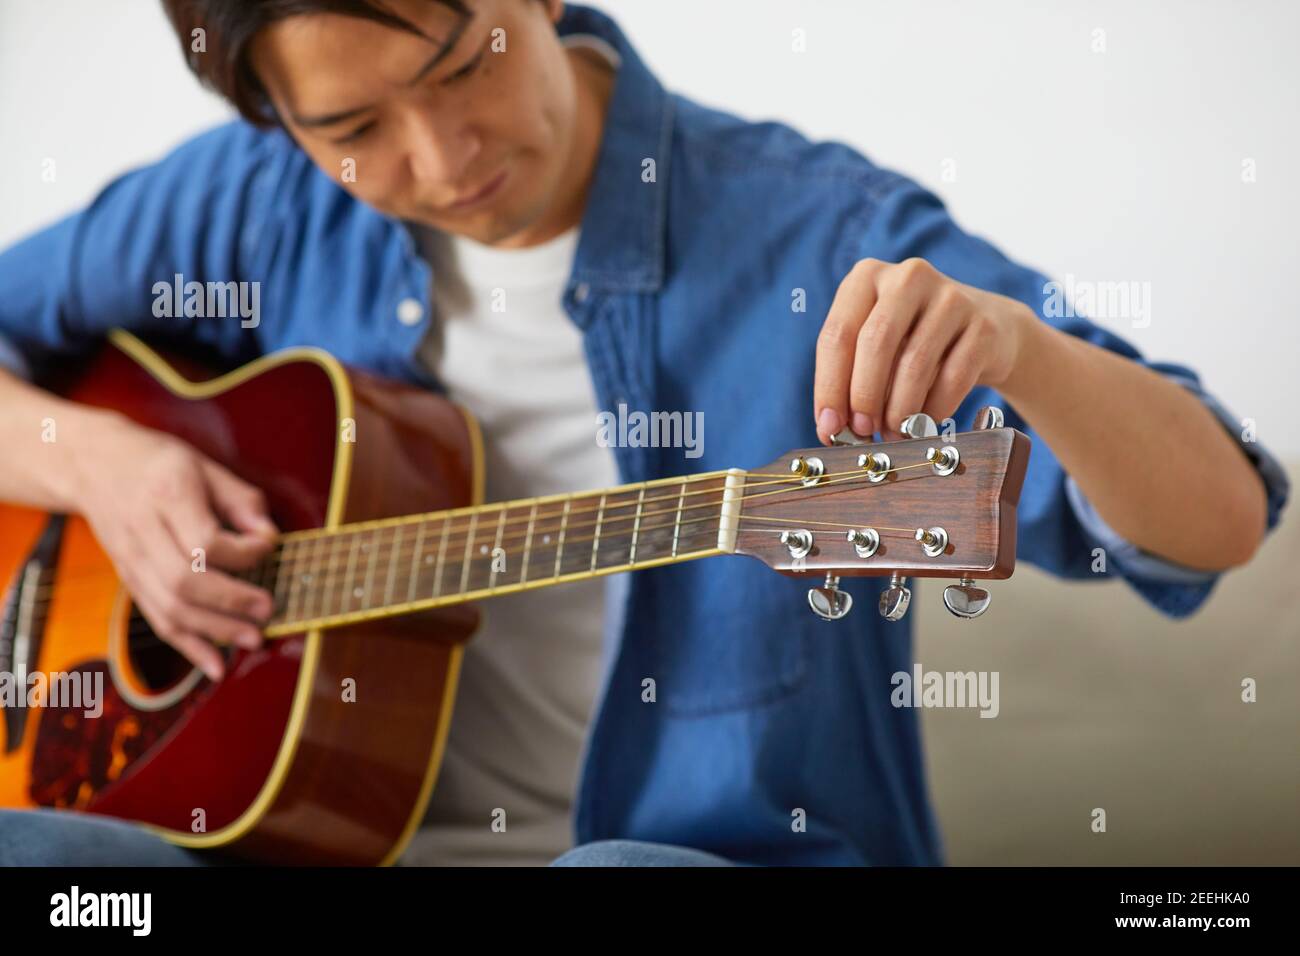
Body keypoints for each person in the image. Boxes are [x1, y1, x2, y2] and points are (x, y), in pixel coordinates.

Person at [0, 0, 1287, 867]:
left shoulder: (822, 234)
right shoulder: (249, 204)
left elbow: (1219, 518)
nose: (441, 158)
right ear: (279, 124)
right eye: (353, 130)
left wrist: (1021, 347)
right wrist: (101, 463)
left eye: (464, 64)